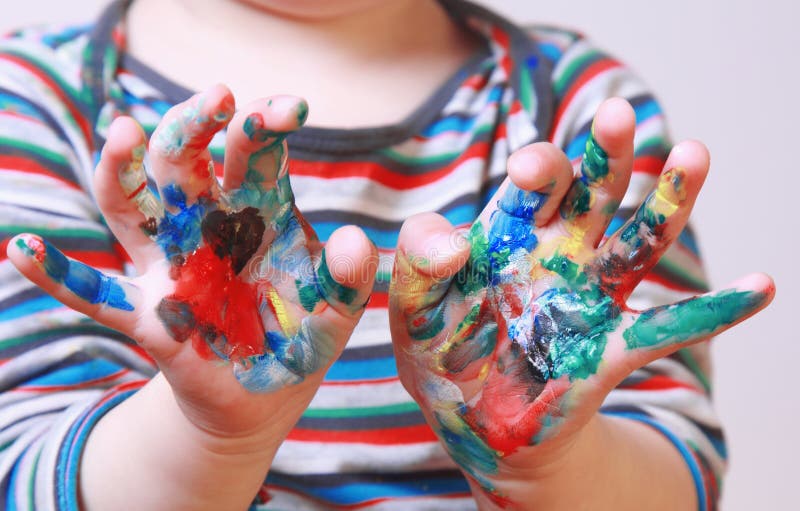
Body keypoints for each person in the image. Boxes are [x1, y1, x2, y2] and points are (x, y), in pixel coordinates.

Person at [0, 0, 775, 509]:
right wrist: (215, 436)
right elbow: (24, 480)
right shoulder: (36, 103)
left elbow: (679, 473)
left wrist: (538, 460)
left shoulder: (576, 114)